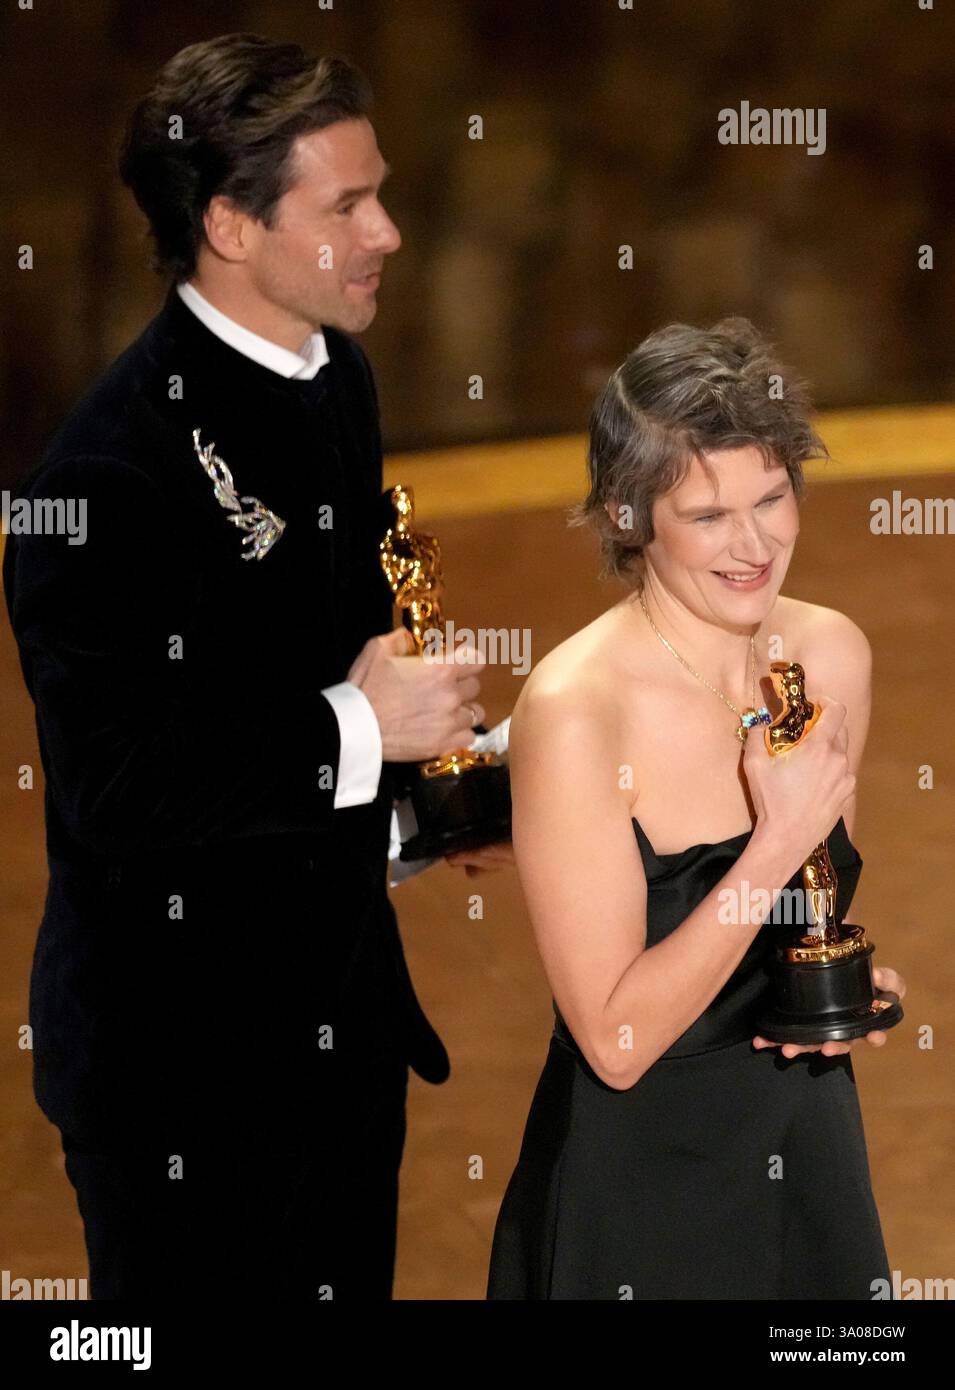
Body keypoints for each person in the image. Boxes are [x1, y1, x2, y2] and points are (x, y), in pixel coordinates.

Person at [3, 33, 498, 1302]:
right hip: (180, 1085)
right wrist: (354, 727)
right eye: (347, 204)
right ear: (229, 222)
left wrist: (421, 808)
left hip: (337, 1043)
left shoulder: (338, 380)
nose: (388, 231)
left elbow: (305, 665)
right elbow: (122, 789)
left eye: (379, 191)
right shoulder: (102, 479)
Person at [486, 317, 907, 1300]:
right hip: (639, 1196)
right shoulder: (574, 712)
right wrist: (776, 842)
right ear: (631, 518)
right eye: (710, 516)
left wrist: (838, 986)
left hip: (806, 1152)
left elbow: (807, 915)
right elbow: (617, 1043)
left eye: (773, 496)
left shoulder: (831, 655)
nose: (756, 544)